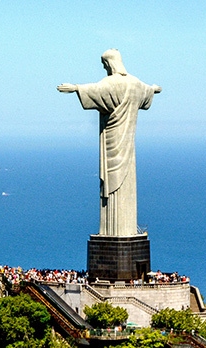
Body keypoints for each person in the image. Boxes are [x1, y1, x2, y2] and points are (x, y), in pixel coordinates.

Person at [58, 49, 161, 237]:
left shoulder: (112, 83)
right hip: (127, 147)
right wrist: (154, 88)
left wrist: (75, 88)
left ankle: (115, 232)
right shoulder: (136, 83)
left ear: (110, 63)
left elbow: (98, 91)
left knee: (113, 185)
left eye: (105, 65)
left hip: (111, 141)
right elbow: (147, 91)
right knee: (124, 183)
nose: (105, 68)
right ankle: (124, 231)